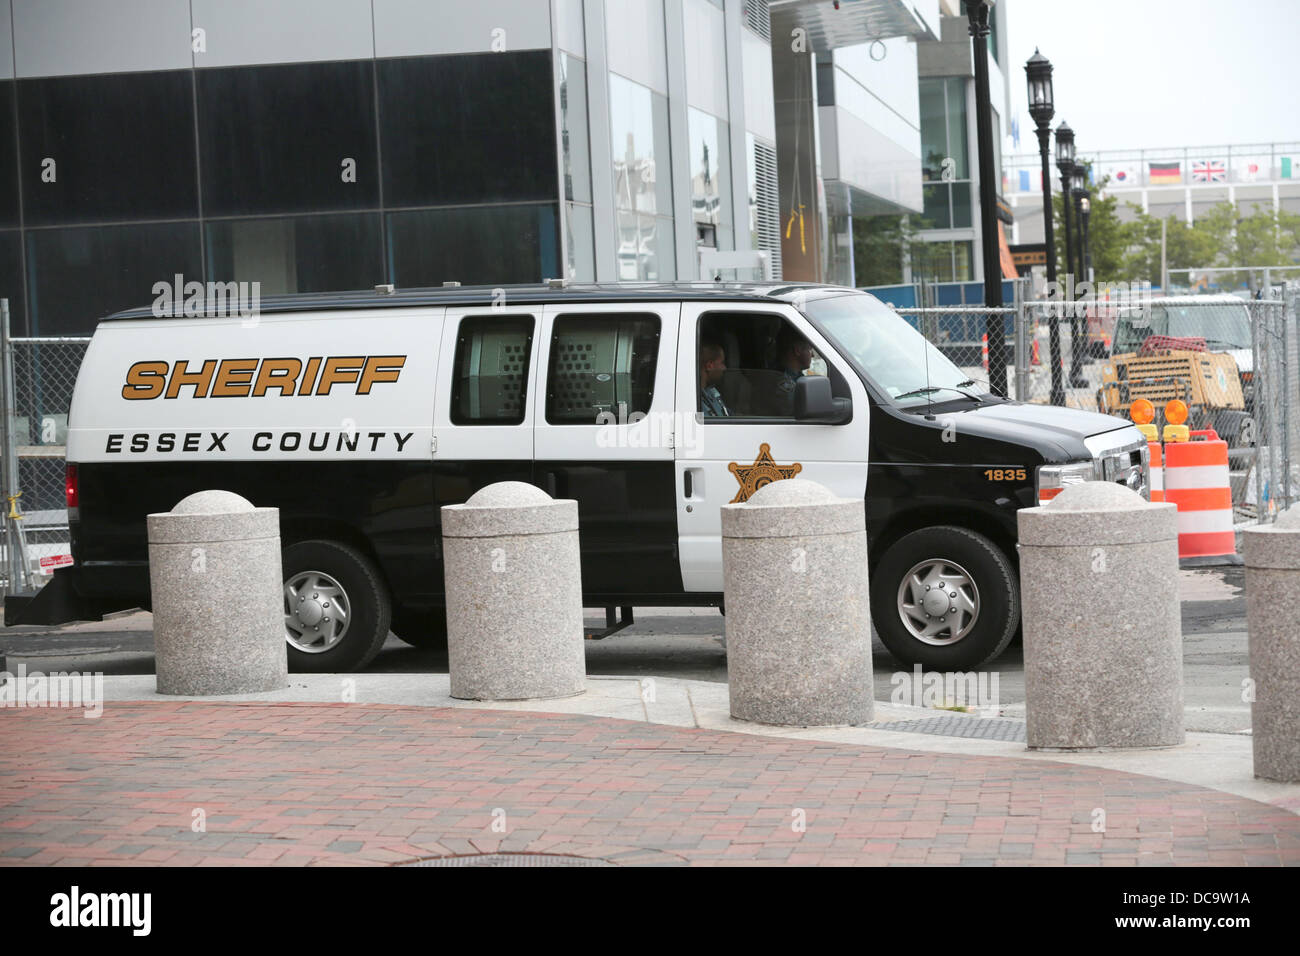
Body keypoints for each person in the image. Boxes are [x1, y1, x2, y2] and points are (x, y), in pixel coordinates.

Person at [764, 327, 814, 416]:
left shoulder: (794, 377)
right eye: (810, 349)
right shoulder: (782, 383)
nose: (813, 355)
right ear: (797, 350)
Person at [699, 341, 730, 417]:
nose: (724, 368)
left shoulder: (712, 392)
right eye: (722, 363)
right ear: (709, 366)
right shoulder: (696, 402)